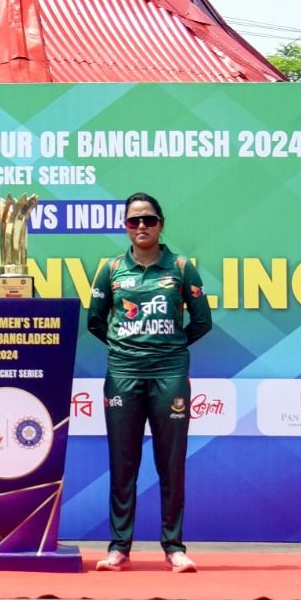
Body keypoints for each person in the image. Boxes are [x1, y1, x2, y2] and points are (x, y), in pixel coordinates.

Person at [87, 191, 212, 573]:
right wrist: (128, 349)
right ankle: (118, 548)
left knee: (170, 464)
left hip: (170, 375)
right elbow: (95, 321)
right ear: (125, 227)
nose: (141, 226)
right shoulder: (110, 269)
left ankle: (174, 547)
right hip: (123, 375)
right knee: (123, 463)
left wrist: (169, 349)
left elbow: (202, 322)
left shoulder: (182, 267)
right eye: (133, 221)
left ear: (161, 224)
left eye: (148, 220)